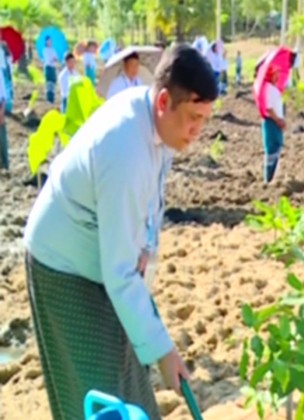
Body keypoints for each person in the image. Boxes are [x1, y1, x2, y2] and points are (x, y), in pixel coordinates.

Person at [22, 44, 218, 419]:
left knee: (128, 378)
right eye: (193, 117)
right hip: (62, 266)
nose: (197, 131)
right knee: (98, 389)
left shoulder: (158, 129)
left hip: (99, 257)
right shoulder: (125, 146)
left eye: (204, 119)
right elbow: (119, 272)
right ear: (164, 101)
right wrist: (164, 352)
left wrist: (143, 249)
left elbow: (145, 213)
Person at [258, 64, 287, 184]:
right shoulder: (268, 88)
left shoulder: (274, 88)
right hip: (271, 122)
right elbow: (269, 108)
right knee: (271, 149)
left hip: (276, 121)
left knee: (277, 147)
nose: (277, 76)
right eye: (275, 73)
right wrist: (278, 120)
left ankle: (272, 177)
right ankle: (268, 178)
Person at [42, 36, 59, 104]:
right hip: (48, 67)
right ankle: (49, 99)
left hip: (53, 67)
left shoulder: (53, 49)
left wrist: (54, 60)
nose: (50, 42)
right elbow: (48, 60)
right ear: (46, 42)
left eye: (50, 41)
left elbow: (55, 58)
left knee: (53, 82)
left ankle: (52, 98)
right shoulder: (45, 50)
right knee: (49, 83)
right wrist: (52, 60)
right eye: (48, 40)